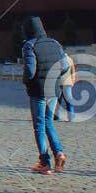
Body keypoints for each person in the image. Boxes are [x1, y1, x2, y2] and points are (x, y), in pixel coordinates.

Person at [20, 17, 70, 175]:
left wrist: (26, 81)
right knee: (49, 122)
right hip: (53, 90)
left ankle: (44, 162)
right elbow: (65, 65)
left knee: (39, 126)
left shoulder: (30, 45)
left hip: (38, 91)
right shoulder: (54, 43)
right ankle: (59, 153)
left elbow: (30, 70)